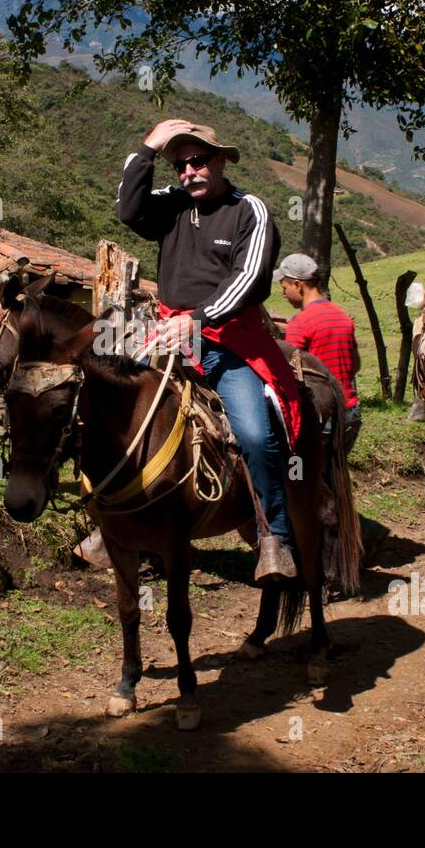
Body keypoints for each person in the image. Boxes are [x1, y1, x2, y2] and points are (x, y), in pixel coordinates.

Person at [113, 118, 302, 583]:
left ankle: (273, 537)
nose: (188, 172)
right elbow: (127, 210)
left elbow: (251, 279)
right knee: (108, 406)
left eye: (198, 161)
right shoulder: (172, 205)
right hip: (166, 336)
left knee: (255, 435)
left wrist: (196, 320)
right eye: (179, 165)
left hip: (226, 343)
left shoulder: (248, 210)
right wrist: (148, 148)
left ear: (221, 161)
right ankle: (110, 519)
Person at [277, 253, 362, 454]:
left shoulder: (301, 323)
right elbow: (355, 365)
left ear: (298, 285)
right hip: (350, 413)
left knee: (305, 478)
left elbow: (290, 379)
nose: (283, 294)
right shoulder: (342, 315)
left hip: (321, 416)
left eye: (284, 288)